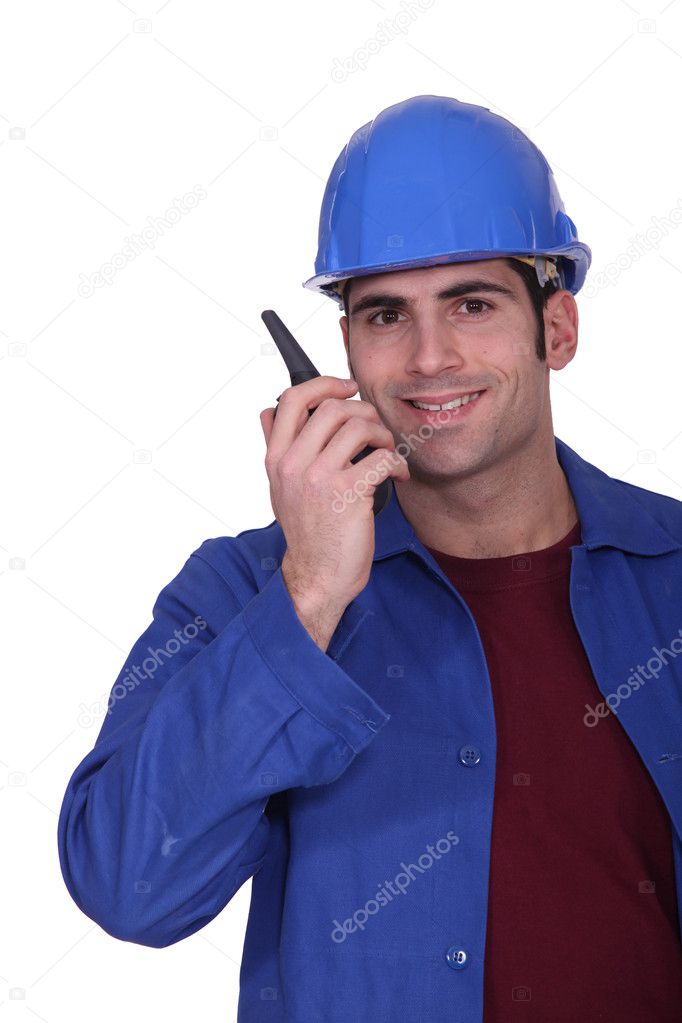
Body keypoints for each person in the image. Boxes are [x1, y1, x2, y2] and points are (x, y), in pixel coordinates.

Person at [57, 95, 682, 1021]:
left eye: (472, 303)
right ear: (342, 347)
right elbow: (128, 888)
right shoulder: (243, 592)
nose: (430, 358)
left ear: (557, 329)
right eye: (387, 314)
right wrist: (307, 596)